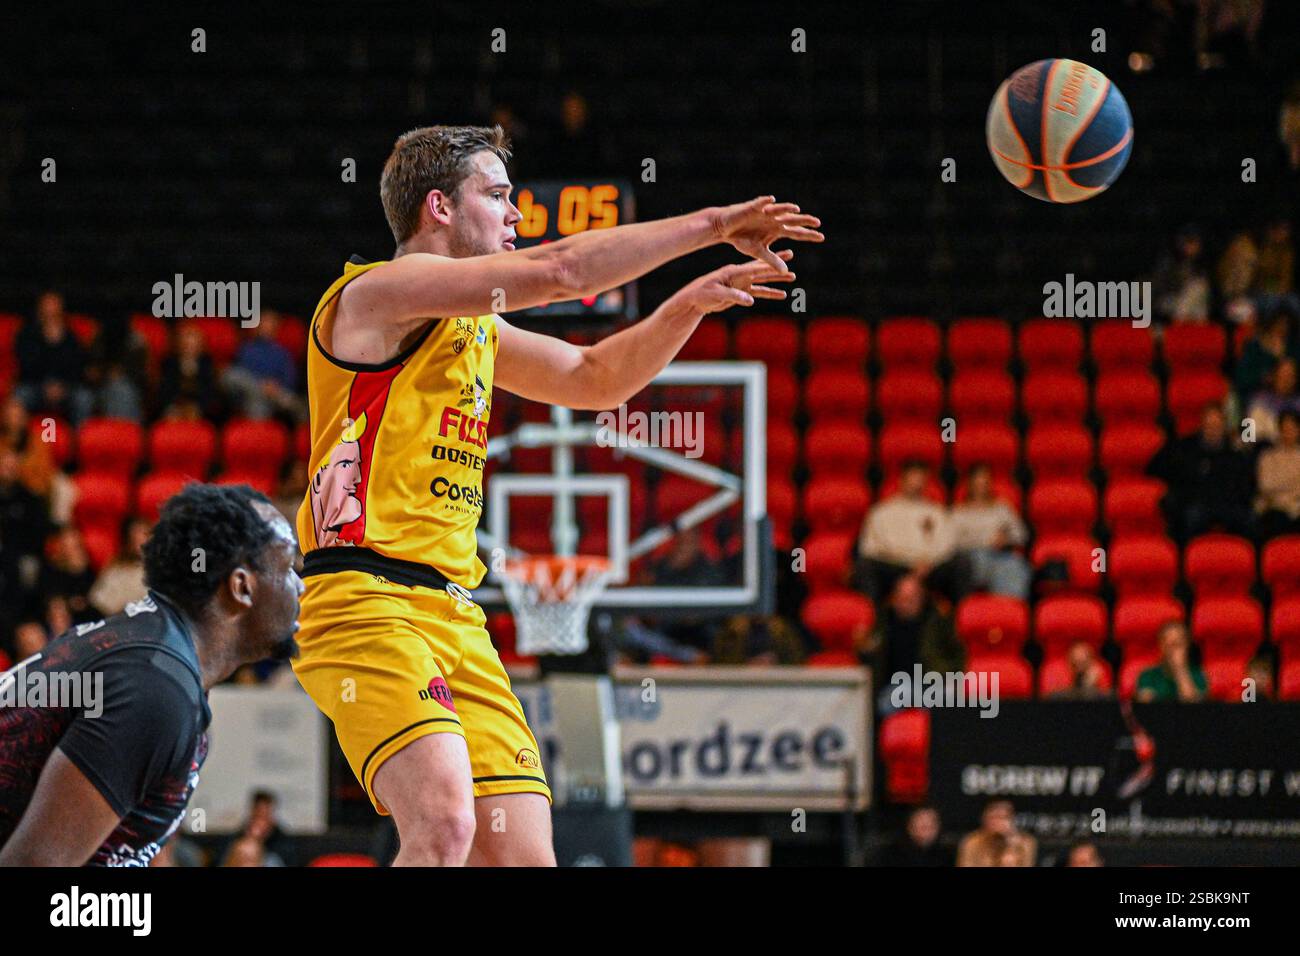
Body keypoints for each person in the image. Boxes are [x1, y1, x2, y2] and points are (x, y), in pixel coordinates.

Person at [290, 123, 822, 866]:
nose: (517, 214)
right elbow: (563, 270)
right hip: (363, 600)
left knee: (524, 856)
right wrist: (714, 227)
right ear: (438, 207)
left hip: (453, 611)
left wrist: (687, 306)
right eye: (499, 195)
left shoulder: (474, 330)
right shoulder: (376, 294)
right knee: (443, 825)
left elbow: (593, 379)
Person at [0, 483, 303, 866]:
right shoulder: (154, 686)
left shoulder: (150, 654)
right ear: (241, 586)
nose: (300, 585)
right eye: (288, 567)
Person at [857, 460, 968, 603]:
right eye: (912, 477)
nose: (917, 483)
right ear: (902, 480)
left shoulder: (937, 512)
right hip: (895, 567)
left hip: (930, 569)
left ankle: (961, 618)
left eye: (921, 478)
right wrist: (905, 561)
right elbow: (869, 547)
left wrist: (929, 563)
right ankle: (872, 620)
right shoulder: (881, 511)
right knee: (865, 566)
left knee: (962, 563)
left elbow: (948, 546)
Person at [858, 574, 965, 713]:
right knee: (898, 695)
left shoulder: (938, 623)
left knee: (953, 695)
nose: (904, 604)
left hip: (932, 685)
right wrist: (866, 650)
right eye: (900, 599)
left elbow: (958, 655)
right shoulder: (883, 624)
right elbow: (868, 661)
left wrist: (950, 676)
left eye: (910, 599)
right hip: (895, 688)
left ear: (921, 599)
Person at [1147, 402, 1254, 541]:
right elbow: (1156, 468)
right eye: (1209, 425)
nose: (1213, 430)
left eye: (1217, 425)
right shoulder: (1186, 448)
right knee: (1189, 517)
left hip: (1228, 504)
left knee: (1249, 519)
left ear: (1224, 426)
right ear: (1202, 425)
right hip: (1196, 503)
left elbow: (1244, 484)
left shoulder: (1235, 452)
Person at [13, 291, 94, 424]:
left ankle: (79, 441)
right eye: (47, 308)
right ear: (40, 311)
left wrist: (62, 386)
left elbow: (78, 368)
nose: (50, 313)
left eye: (54, 309)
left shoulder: (71, 337)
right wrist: (46, 385)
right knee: (20, 395)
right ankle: (19, 442)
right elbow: (26, 366)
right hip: (36, 386)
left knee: (84, 398)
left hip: (66, 388)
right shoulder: (27, 335)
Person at [951, 464, 1031, 599]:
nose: (981, 487)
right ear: (970, 485)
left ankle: (1007, 611)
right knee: (979, 562)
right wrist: (983, 541)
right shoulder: (958, 512)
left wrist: (1006, 538)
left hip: (999, 556)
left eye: (985, 483)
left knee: (1017, 565)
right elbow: (951, 542)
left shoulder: (1002, 508)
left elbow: (1022, 535)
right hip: (970, 558)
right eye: (977, 483)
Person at [221, 310, 306, 423]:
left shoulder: (282, 353)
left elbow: (290, 380)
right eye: (264, 323)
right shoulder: (246, 349)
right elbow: (240, 376)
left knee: (298, 405)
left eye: (270, 324)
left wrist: (274, 387)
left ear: (275, 328)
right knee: (232, 377)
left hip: (276, 395)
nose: (266, 327)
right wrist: (262, 384)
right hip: (251, 393)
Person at [87, 517, 151, 616]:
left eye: (144, 534)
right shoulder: (117, 570)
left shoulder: (162, 568)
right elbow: (100, 602)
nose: (140, 540)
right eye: (135, 535)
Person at [1135, 620, 1208, 703]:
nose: (1173, 651)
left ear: (1187, 646)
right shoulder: (1148, 675)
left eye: (1178, 645)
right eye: (1169, 645)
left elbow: (1192, 705)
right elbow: (1144, 706)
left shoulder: (1198, 674)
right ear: (1161, 646)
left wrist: (1180, 669)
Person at [1257, 411, 1300, 538]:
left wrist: (1280, 482)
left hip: (1297, 506)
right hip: (1274, 507)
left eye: (1292, 429)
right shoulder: (1267, 456)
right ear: (1279, 431)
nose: (1288, 433)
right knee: (1273, 520)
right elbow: (1265, 485)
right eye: (1285, 429)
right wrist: (1293, 481)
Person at [956, 800, 1037, 867]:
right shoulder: (972, 842)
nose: (997, 822)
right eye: (993, 818)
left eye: (1002, 818)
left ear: (1011, 820)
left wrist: (1011, 844)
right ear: (985, 819)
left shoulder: (1026, 842)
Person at [1245, 357, 1300, 444]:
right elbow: (1247, 436)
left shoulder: (1298, 402)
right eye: (1282, 375)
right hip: (1264, 450)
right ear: (1274, 376)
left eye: (1290, 376)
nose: (1286, 380)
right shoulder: (1258, 401)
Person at [881, 805, 954, 867]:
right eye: (921, 825)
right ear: (910, 827)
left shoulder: (948, 856)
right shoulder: (891, 855)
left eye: (931, 825)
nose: (926, 830)